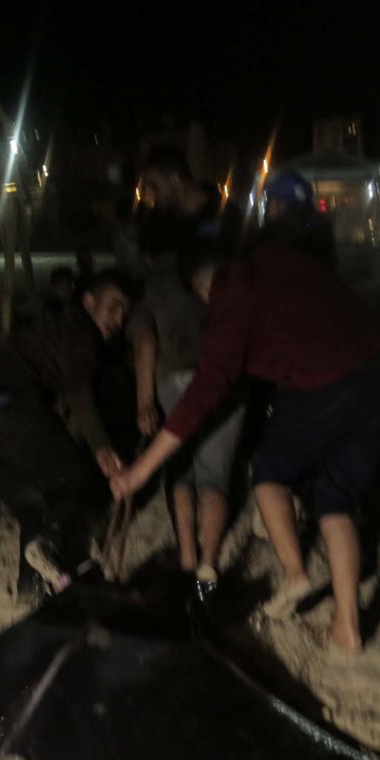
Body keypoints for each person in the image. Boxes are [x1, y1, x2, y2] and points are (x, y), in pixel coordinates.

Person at [112, 172, 380, 654]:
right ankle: (347, 629)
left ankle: (295, 576)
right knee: (336, 497)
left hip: (329, 378)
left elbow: (203, 395)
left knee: (267, 471)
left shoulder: (231, 290)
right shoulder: (282, 260)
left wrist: (138, 473)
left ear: (203, 286)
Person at [0, 272, 132, 597]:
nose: (119, 318)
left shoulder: (55, 327)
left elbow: (66, 396)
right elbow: (80, 394)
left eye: (125, 311)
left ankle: (31, 586)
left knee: (32, 505)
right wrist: (103, 448)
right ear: (89, 301)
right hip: (9, 405)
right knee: (79, 477)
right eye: (114, 307)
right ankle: (51, 545)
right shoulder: (80, 332)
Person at [132, 245, 241, 583]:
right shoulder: (223, 277)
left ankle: (187, 556)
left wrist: (145, 401)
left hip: (173, 380)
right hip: (224, 380)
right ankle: (208, 563)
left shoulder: (153, 286)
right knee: (214, 477)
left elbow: (145, 343)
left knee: (180, 474)